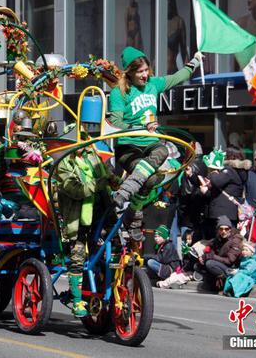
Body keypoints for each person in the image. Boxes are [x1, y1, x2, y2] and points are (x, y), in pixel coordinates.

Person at [109, 46, 202, 239]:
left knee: (162, 153)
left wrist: (195, 62)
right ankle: (132, 215)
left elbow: (177, 77)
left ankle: (128, 197)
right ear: (129, 73)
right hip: (128, 145)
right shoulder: (119, 93)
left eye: (146, 70)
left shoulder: (153, 84)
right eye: (139, 72)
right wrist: (140, 125)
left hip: (150, 143)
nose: (144, 75)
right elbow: (115, 122)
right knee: (148, 178)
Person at [55, 143, 115, 317]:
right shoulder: (63, 163)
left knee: (107, 254)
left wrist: (115, 181)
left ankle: (108, 292)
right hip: (77, 217)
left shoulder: (93, 155)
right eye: (76, 141)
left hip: (101, 214)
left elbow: (106, 173)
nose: (80, 145)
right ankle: (76, 301)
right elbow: (76, 190)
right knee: (78, 257)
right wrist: (103, 182)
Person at [199, 147, 251, 240]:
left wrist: (214, 172)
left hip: (223, 212)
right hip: (229, 212)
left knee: (222, 240)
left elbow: (216, 181)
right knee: (228, 239)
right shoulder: (239, 171)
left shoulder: (229, 170)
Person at [199, 215, 244, 291]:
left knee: (210, 263)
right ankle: (212, 282)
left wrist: (212, 256)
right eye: (221, 229)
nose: (224, 231)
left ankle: (224, 280)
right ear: (218, 230)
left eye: (226, 229)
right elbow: (210, 247)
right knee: (198, 265)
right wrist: (204, 256)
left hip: (232, 268)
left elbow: (230, 260)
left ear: (230, 229)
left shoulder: (235, 240)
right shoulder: (218, 239)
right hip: (221, 264)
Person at [167, 0, 188, 73]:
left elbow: (183, 48)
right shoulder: (159, 22)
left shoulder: (179, 22)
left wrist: (187, 70)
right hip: (159, 70)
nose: (167, 2)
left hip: (172, 69)